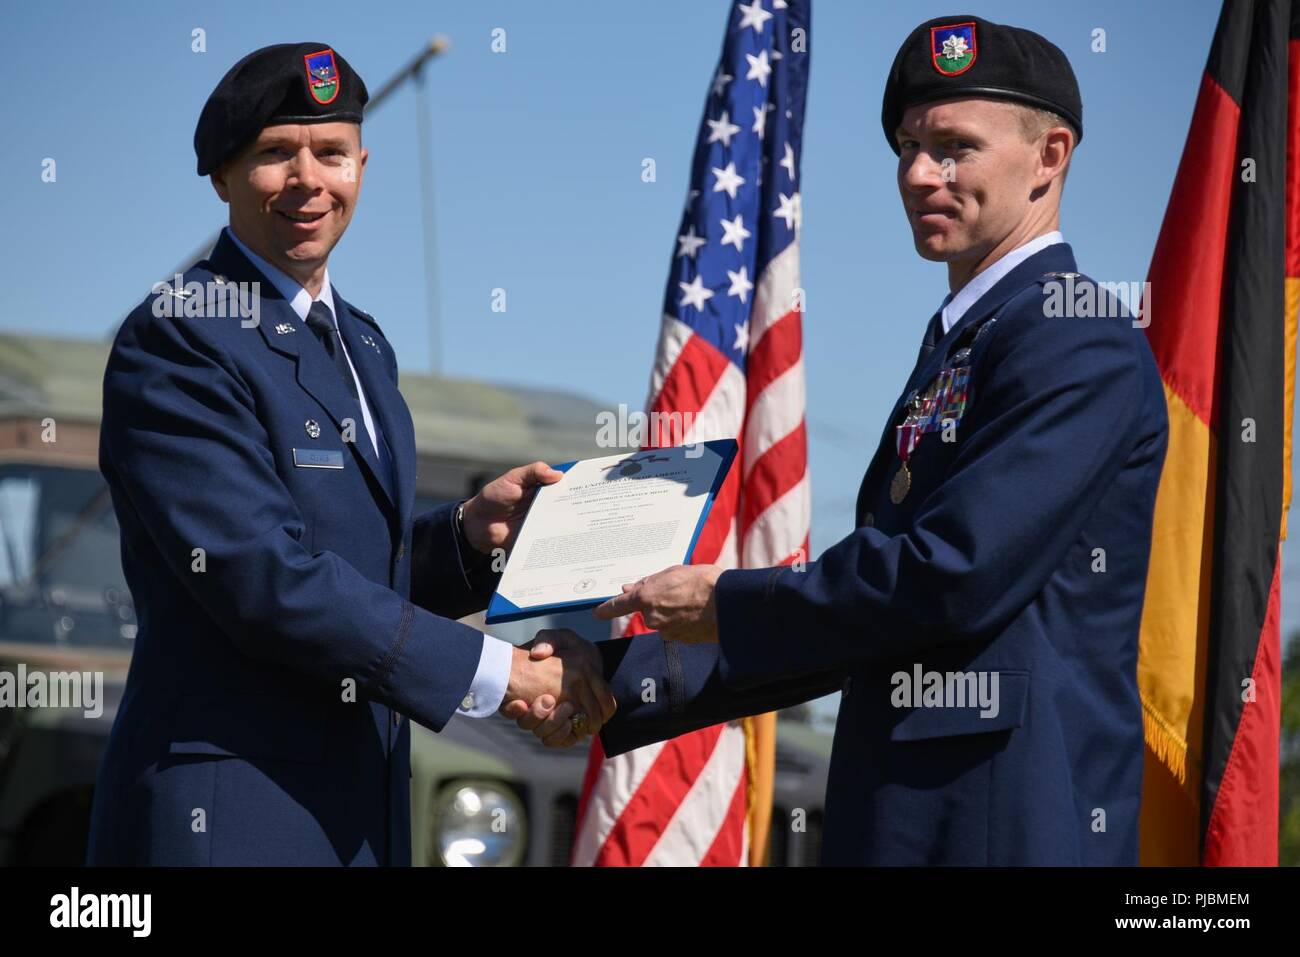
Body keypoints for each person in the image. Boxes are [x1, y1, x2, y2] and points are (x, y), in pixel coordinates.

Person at [508, 15, 1169, 865]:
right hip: (909, 822)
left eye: (956, 146)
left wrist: (725, 600)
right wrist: (616, 674)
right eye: (908, 146)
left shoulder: (1073, 337)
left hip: (1000, 826)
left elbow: (949, 576)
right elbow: (871, 621)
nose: (920, 173)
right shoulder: (970, 342)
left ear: (1050, 156)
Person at [88, 42, 612, 866]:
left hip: (361, 813)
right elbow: (266, 579)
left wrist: (468, 535)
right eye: (274, 155)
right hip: (235, 816)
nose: (308, 181)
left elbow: (359, 566)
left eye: (330, 153)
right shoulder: (180, 338)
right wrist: (499, 673)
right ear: (222, 177)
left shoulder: (363, 343)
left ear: (362, 166)